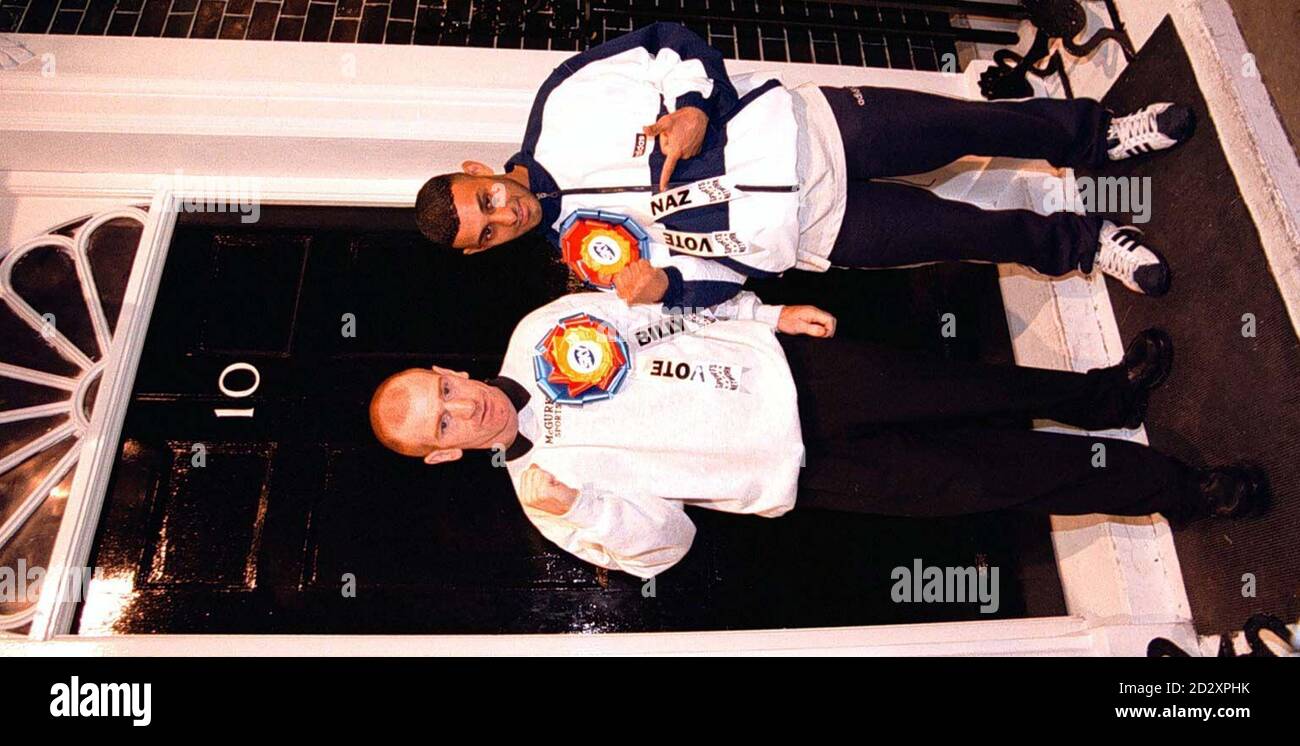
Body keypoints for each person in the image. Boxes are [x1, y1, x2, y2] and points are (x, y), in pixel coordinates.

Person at [368, 292, 1266, 578]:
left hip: (799, 375)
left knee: (978, 382)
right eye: (443, 423)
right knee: (1004, 472)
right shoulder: (544, 499)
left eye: (443, 387)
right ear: (446, 453)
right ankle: (1184, 493)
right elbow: (667, 549)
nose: (463, 406)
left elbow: (662, 309)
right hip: (813, 468)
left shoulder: (538, 330)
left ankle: (1105, 394)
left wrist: (762, 309)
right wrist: (589, 503)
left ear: (450, 367)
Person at [413, 22, 1195, 310]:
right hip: (820, 231)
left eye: (488, 197)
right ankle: (1086, 245)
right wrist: (669, 291)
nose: (506, 214)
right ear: (489, 251)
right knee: (972, 236)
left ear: (481, 166)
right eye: (489, 232)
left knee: (971, 125)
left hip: (814, 128)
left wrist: (693, 107)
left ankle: (1099, 138)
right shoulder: (589, 265)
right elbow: (721, 289)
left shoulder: (562, 102)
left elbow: (670, 43)